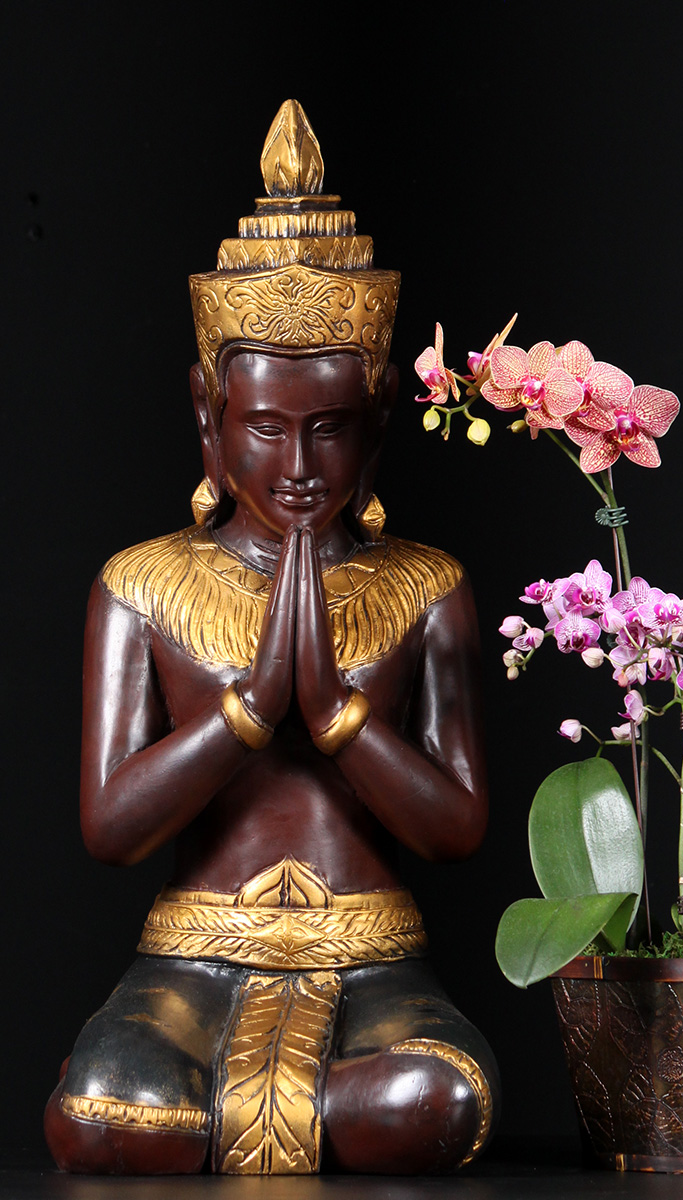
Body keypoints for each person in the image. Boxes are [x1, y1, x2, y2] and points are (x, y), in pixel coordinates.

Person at [44, 101, 497, 1176]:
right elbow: (110, 828)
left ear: (379, 417)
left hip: (377, 960)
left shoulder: (425, 587)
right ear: (208, 414)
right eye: (265, 426)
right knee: (106, 1113)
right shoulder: (142, 585)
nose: (299, 464)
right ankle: (276, 1119)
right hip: (187, 960)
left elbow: (459, 830)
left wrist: (341, 719)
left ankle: (268, 1122)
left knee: (429, 1098)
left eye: (331, 428)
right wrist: (246, 711)